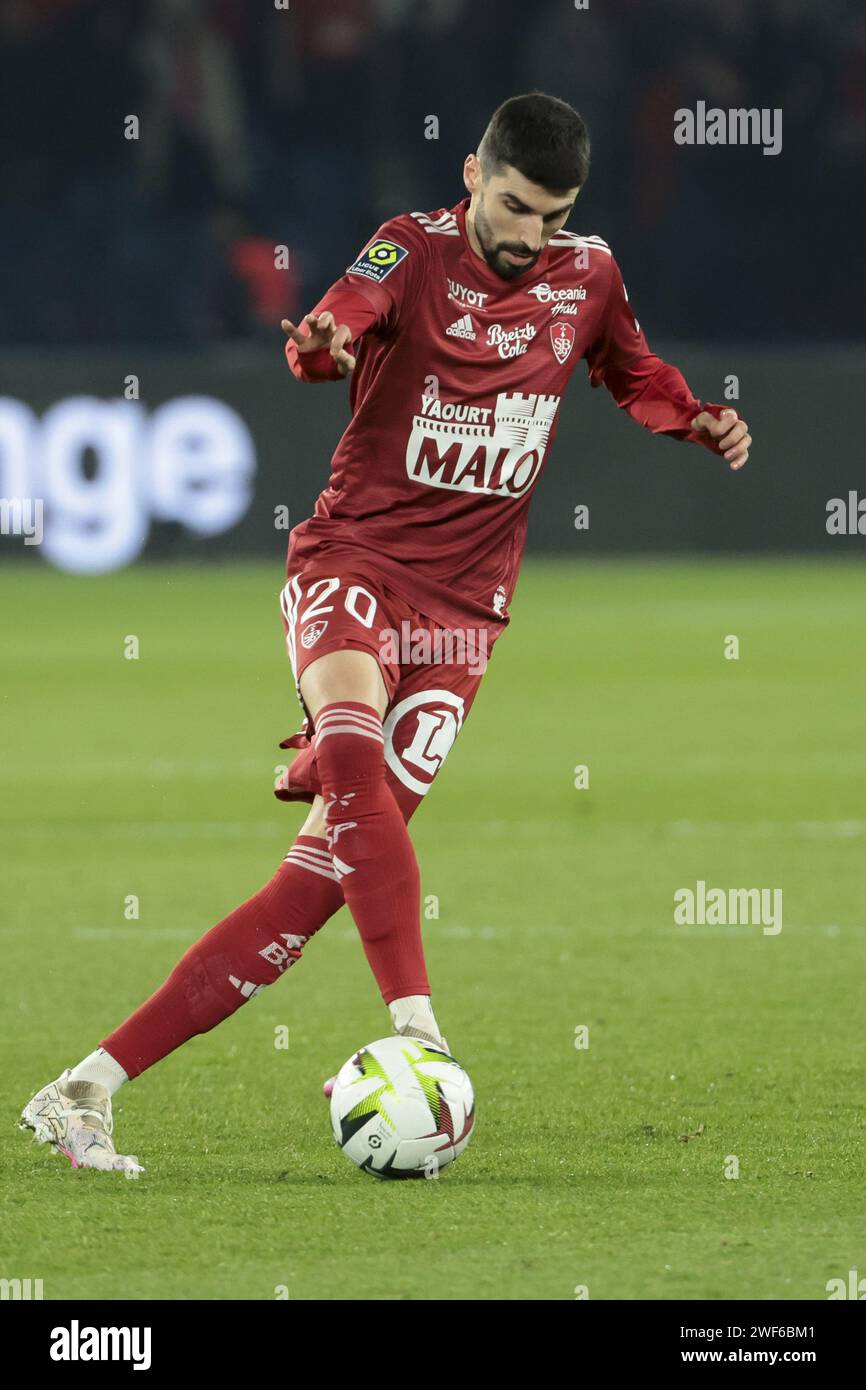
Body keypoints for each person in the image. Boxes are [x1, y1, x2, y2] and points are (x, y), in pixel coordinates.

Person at [19, 92, 751, 1175]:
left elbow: (628, 368)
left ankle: (83, 1087)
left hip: (465, 620)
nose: (527, 235)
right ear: (469, 176)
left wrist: (688, 413)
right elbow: (335, 326)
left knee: (308, 894)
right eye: (511, 207)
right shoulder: (407, 250)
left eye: (550, 216)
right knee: (354, 758)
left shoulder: (584, 275)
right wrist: (318, 347)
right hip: (353, 567)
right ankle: (418, 1026)